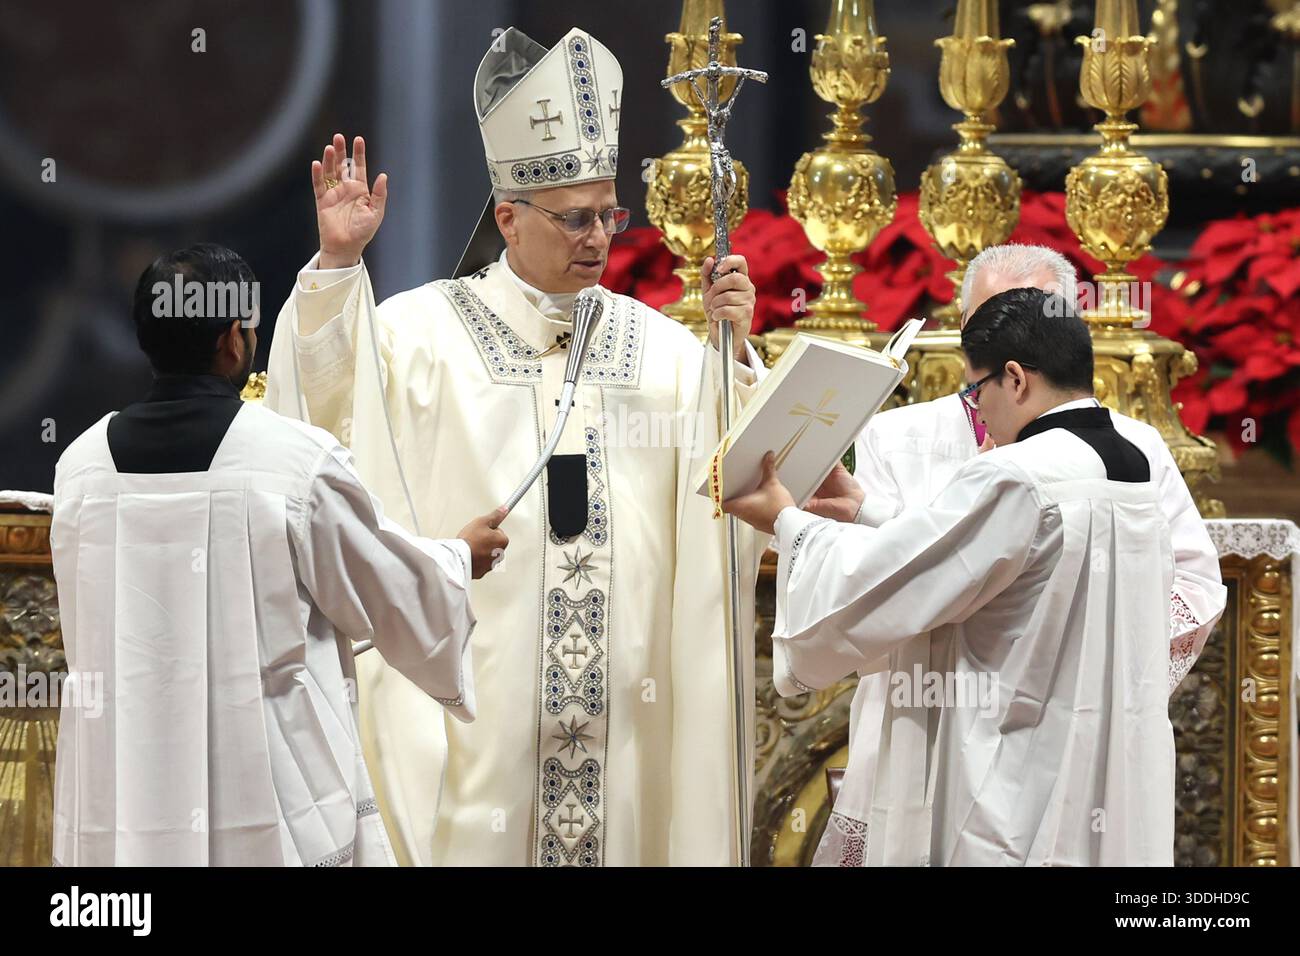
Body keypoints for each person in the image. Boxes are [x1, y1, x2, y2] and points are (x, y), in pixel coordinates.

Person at [264, 27, 765, 866]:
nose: (598, 238)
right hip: (474, 722)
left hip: (624, 726)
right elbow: (327, 423)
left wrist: (733, 350)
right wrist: (339, 266)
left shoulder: (662, 348)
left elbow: (732, 471)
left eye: (610, 215)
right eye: (574, 219)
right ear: (508, 218)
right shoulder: (420, 334)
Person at [50, 243, 507, 866]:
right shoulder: (290, 462)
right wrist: (459, 558)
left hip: (127, 792)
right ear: (235, 338)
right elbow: (386, 588)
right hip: (267, 799)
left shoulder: (81, 468)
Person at [725, 288, 1180, 866]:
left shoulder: (1018, 473)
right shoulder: (1129, 466)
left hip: (1018, 772)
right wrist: (866, 509)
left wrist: (786, 522)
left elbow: (892, 584)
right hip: (1102, 759)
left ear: (1014, 379)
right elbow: (984, 564)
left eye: (977, 389)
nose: (978, 409)